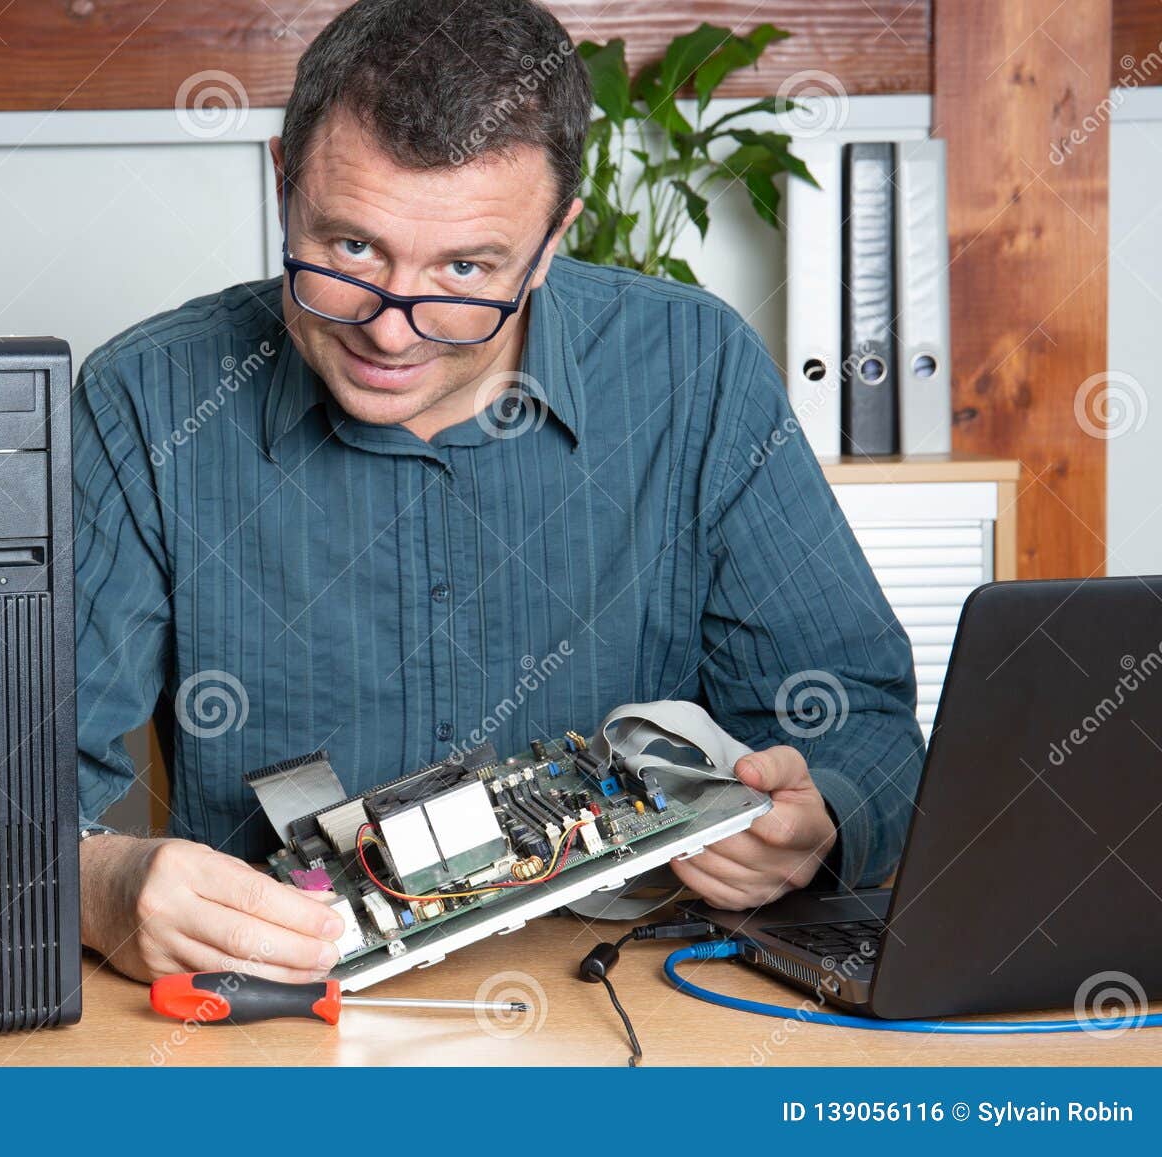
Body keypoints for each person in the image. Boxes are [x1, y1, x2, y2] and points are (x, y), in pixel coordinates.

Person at [72, 0, 924, 983]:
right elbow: (0, 800)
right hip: (284, 1018)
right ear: (282, 183)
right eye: (350, 249)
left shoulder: (692, 371)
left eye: (466, 268)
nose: (390, 331)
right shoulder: (148, 399)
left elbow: (859, 721)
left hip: (633, 999)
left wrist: (817, 812)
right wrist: (101, 884)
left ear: (554, 236)